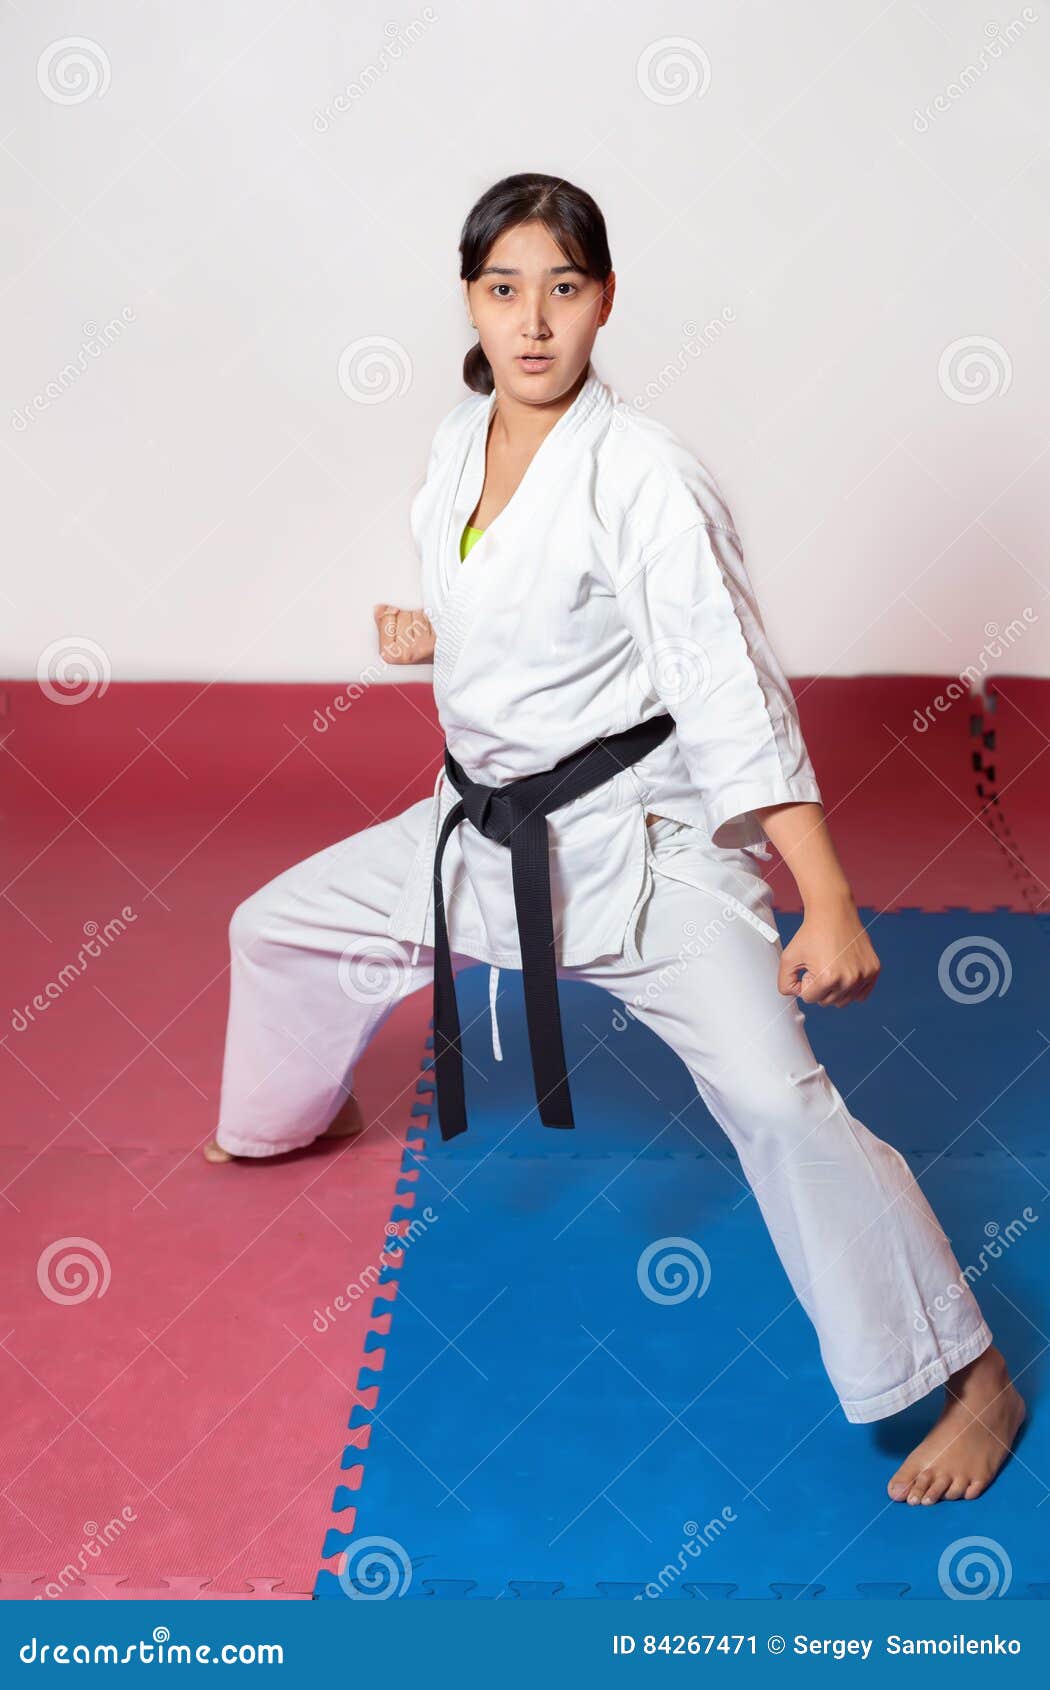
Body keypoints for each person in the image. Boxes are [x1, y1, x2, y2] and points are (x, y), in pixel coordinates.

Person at [205, 173, 1024, 1504]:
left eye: (563, 288)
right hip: (475, 832)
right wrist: (428, 630)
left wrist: (824, 896)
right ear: (468, 297)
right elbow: (498, 599)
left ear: (604, 299)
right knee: (274, 925)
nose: (533, 322)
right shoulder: (456, 439)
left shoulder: (643, 473)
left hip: (632, 853)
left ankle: (972, 1375)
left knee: (774, 1100)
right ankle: (285, 1115)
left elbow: (728, 687)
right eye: (503, 288)